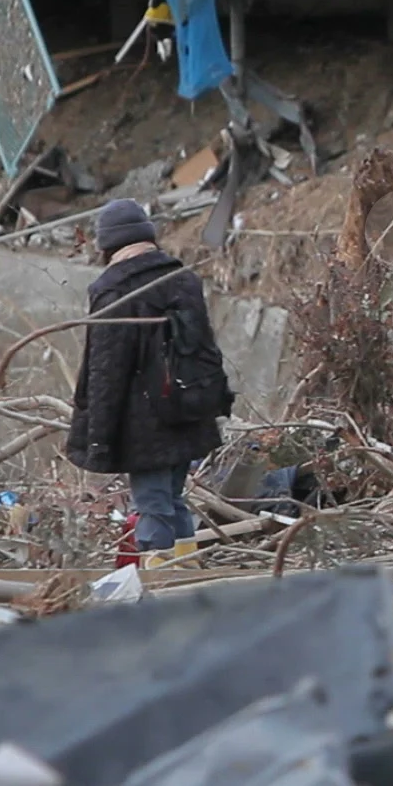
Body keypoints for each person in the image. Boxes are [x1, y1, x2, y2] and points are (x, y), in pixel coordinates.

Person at [64, 199, 233, 566]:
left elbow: (105, 369)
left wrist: (97, 434)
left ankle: (159, 580)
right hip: (188, 410)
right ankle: (186, 570)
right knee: (172, 500)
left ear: (107, 243)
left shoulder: (113, 289)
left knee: (152, 504)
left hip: (144, 423)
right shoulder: (183, 279)